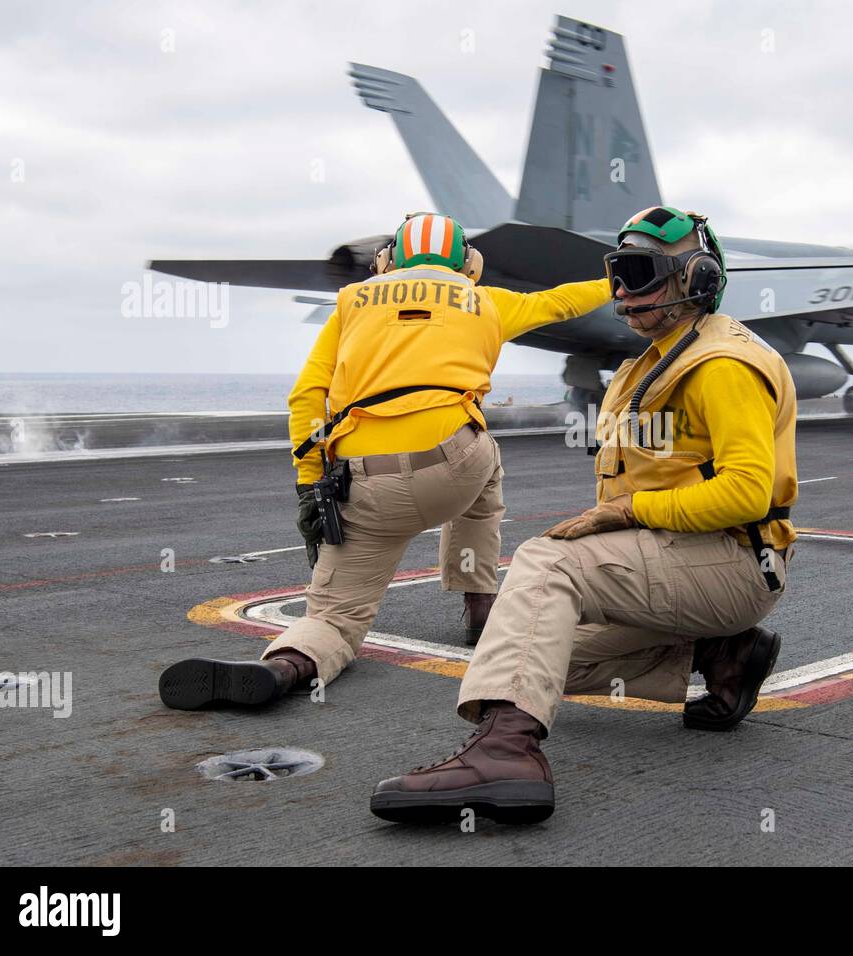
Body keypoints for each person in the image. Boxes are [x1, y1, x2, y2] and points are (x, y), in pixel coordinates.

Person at [370, 206, 799, 824]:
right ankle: (721, 655)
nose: (621, 291)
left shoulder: (722, 366)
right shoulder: (652, 362)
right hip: (684, 562)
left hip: (734, 562)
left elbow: (747, 494)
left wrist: (622, 514)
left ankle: (505, 755)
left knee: (545, 563)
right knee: (532, 658)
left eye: (639, 274)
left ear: (696, 278)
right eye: (616, 274)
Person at [158, 212, 610, 710]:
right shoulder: (485, 300)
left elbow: (306, 396)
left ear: (388, 260)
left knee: (333, 617)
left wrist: (310, 484)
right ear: (470, 264)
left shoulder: (352, 300)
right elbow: (563, 301)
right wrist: (620, 278)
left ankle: (284, 666)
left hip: (364, 484)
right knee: (487, 472)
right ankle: (480, 606)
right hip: (453, 469)